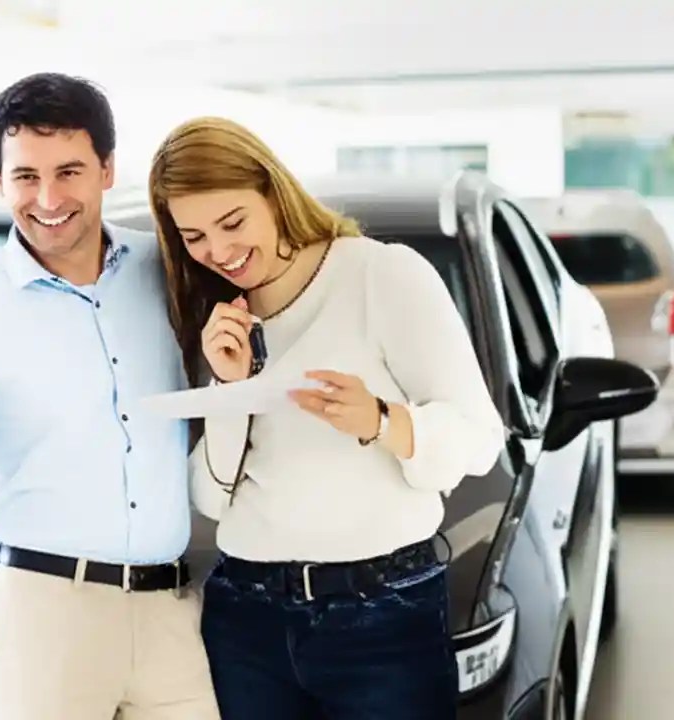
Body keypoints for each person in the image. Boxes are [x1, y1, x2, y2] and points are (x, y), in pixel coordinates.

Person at [147, 116, 505, 720]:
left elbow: (479, 442)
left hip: (382, 613)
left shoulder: (381, 275)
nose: (219, 251)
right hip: (247, 614)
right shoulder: (216, 315)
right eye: (194, 236)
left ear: (273, 190)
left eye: (232, 222)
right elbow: (212, 497)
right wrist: (230, 389)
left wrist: (382, 420)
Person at [0, 73, 220, 720]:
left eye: (69, 171)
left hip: (172, 616)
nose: (47, 198)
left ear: (107, 169)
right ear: (0, 180)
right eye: (25, 177)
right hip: (45, 615)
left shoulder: (172, 273)